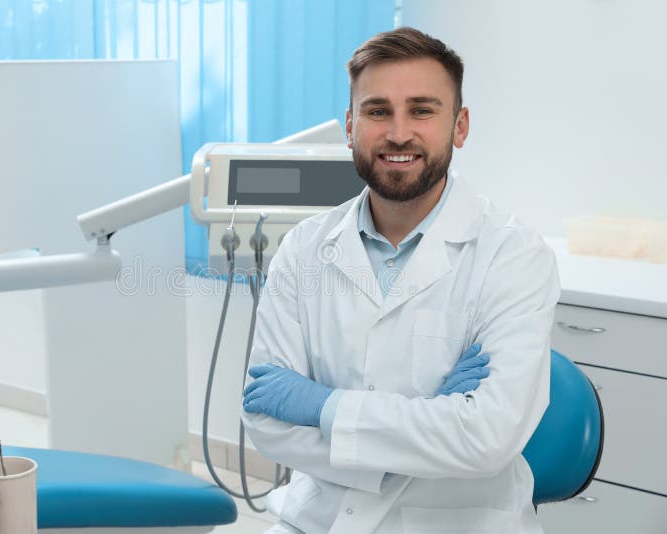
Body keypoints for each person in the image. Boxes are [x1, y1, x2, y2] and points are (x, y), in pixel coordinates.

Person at [240, 27, 560, 534]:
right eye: (377, 111)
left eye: (422, 110)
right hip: (317, 519)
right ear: (350, 126)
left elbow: (488, 439)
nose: (398, 133)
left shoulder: (513, 256)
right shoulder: (303, 249)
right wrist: (436, 421)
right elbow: (266, 425)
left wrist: (323, 407)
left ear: (460, 126)